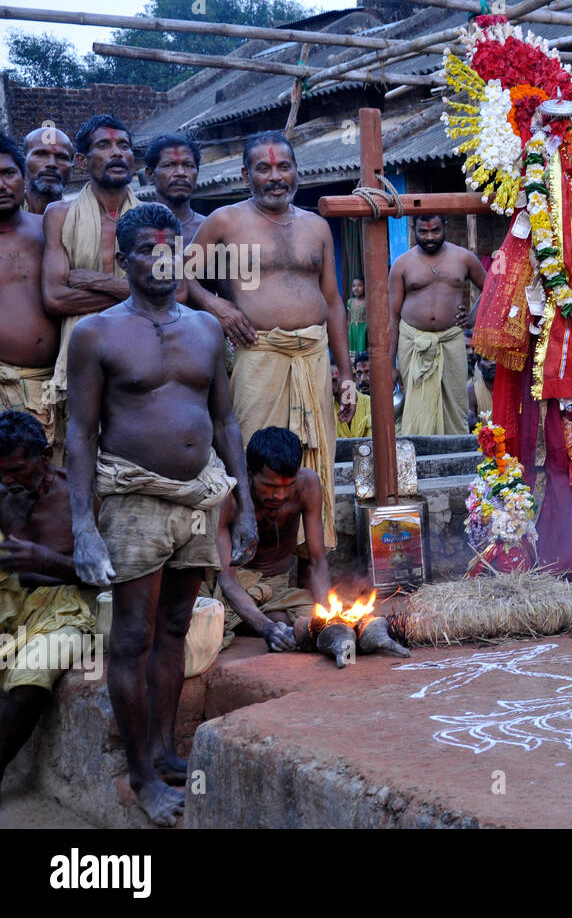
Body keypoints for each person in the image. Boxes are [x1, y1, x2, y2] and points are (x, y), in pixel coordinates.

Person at [66, 203, 256, 826]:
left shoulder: (204, 328)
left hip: (199, 496)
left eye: (171, 249)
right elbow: (79, 433)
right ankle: (143, 775)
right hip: (133, 497)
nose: (163, 260)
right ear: (123, 259)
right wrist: (83, 527)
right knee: (130, 635)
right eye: (148, 250)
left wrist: (245, 503)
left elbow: (226, 420)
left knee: (176, 625)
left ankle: (166, 751)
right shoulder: (97, 333)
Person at [185, 131, 352, 551]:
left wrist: (346, 375)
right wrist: (218, 306)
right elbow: (179, 276)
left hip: (313, 359)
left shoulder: (317, 226)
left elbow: (333, 301)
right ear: (246, 174)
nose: (275, 176)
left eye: (283, 167)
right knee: (251, 456)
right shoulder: (224, 220)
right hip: (257, 356)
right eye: (264, 168)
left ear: (297, 171)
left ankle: (308, 559)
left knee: (314, 457)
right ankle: (249, 556)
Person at [0, 410, 96, 793]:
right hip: (11, 598)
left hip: (68, 605)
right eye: (1, 471)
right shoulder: (3, 491)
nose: (8, 479)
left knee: (32, 677)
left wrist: (48, 561)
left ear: (44, 456)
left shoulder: (80, 495)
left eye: (17, 469)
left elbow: (112, 571)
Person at [41, 115, 154, 408]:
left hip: (143, 354)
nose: (117, 153)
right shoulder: (60, 215)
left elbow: (175, 294)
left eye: (124, 145)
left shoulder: (152, 217)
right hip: (81, 355)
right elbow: (54, 298)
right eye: (104, 145)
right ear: (81, 160)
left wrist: (96, 280)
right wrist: (138, 292)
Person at [210, 428, 328, 651]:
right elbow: (227, 579)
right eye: (271, 486)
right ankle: (264, 621)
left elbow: (317, 560)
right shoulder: (228, 498)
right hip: (233, 589)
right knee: (207, 620)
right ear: (249, 473)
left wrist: (327, 614)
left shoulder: (307, 485)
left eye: (287, 486)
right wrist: (266, 628)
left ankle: (259, 621)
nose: (280, 496)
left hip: (278, 588)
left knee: (316, 616)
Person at [388, 213, 484, 435]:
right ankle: (417, 458)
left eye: (435, 231)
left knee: (455, 403)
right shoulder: (402, 264)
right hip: (413, 342)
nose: (429, 237)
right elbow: (392, 316)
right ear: (413, 228)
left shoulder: (463, 258)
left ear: (445, 226)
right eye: (423, 232)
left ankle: (454, 458)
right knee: (415, 406)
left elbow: (492, 286)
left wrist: (473, 317)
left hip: (450, 339)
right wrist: (390, 364)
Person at [0, 136, 62, 461]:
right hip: (4, 387)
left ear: (24, 178)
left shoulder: (49, 229)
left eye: (8, 174)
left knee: (56, 483)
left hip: (58, 384)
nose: (1, 185)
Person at [144, 133, 205, 246]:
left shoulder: (210, 229)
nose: (181, 173)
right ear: (150, 175)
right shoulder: (137, 229)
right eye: (169, 165)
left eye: (188, 165)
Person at [22, 126, 74, 216]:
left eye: (62, 157)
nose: (52, 164)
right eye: (41, 154)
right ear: (23, 163)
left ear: (70, 170)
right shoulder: (6, 215)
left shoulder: (80, 217)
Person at [333, 363, 371, 438]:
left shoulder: (371, 404)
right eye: (333, 381)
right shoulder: (324, 411)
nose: (338, 386)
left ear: (353, 378)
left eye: (341, 380)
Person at [347, 277, 367, 358]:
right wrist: (348, 332)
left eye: (359, 285)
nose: (356, 288)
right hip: (352, 331)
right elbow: (349, 319)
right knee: (352, 354)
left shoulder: (367, 302)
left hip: (363, 330)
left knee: (362, 352)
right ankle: (354, 369)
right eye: (354, 286)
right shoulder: (350, 302)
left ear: (364, 287)